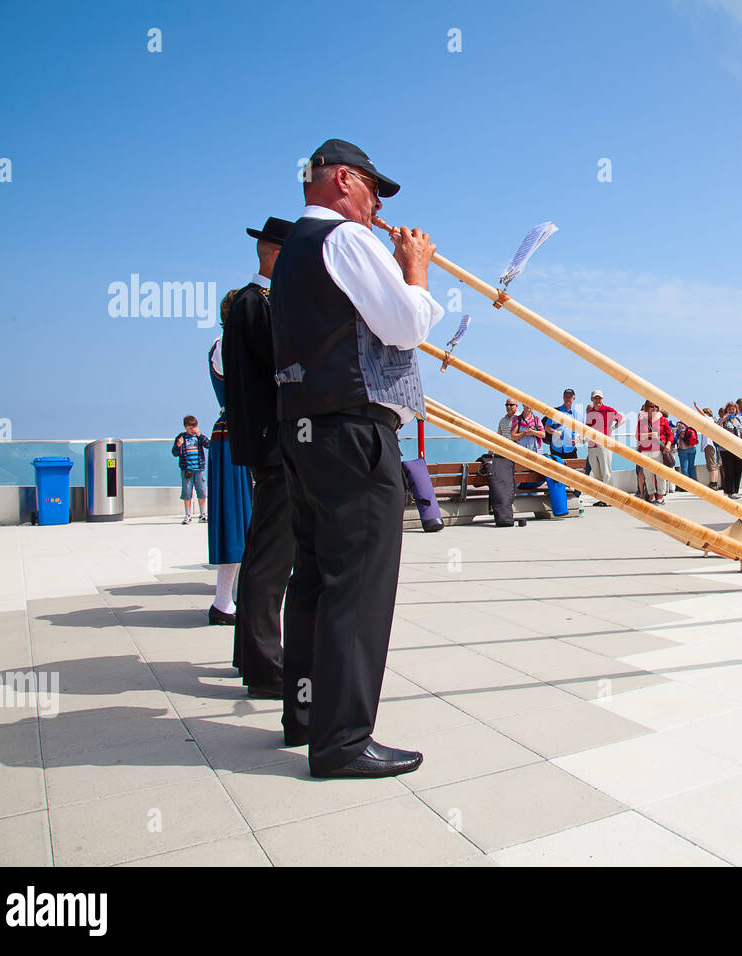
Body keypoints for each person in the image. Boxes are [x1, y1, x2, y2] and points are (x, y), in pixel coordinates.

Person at [270, 138, 443, 779]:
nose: (377, 206)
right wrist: (415, 266)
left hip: (306, 427)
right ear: (346, 180)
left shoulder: (293, 251)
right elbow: (406, 325)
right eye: (374, 190)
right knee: (359, 584)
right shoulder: (346, 240)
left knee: (314, 578)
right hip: (352, 428)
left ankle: (308, 715)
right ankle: (342, 741)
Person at [224, 216, 293, 697]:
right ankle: (266, 664)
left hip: (272, 442)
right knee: (273, 557)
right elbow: (283, 367)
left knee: (265, 554)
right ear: (276, 255)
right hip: (276, 444)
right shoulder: (257, 304)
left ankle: (252, 655)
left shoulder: (255, 303)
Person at [206, 290, 253, 629]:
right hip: (238, 433)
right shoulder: (225, 343)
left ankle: (230, 599)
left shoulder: (224, 343)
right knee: (237, 519)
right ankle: (223, 601)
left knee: (247, 518)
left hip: (238, 432)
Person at [583, 389, 622, 506]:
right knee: (597, 473)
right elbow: (587, 428)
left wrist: (612, 429)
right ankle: (602, 498)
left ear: (602, 399)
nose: (597, 400)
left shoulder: (608, 409)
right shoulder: (589, 412)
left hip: (604, 445)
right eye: (595, 398)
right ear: (592, 399)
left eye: (599, 398)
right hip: (591, 445)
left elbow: (621, 419)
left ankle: (610, 498)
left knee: (606, 472)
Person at [172, 416, 209, 523]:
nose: (191, 430)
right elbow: (175, 453)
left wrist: (200, 435)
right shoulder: (181, 437)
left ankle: (203, 514)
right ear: (185, 427)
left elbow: (208, 444)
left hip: (199, 469)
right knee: (187, 492)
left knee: (201, 491)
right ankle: (188, 515)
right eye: (189, 428)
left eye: (193, 427)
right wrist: (178, 445)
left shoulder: (199, 437)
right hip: (187, 470)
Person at [636, 401, 674, 504]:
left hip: (658, 450)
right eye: (651, 407)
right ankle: (651, 496)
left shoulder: (663, 420)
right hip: (646, 449)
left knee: (660, 474)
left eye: (656, 407)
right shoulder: (642, 420)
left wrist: (668, 445)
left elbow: (670, 435)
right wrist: (650, 435)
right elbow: (638, 436)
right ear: (646, 408)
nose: (654, 409)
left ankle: (661, 497)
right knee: (648, 475)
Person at [544, 388, 582, 464]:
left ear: (573, 399)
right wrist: (555, 432)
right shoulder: (556, 412)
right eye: (566, 396)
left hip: (571, 449)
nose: (567, 398)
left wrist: (578, 438)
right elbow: (547, 427)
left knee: (572, 474)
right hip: (556, 449)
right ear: (563, 398)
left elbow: (581, 431)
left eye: (569, 397)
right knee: (556, 473)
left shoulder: (576, 414)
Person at [697, 405, 721, 489]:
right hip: (710, 445)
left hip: (709, 445)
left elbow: (702, 413)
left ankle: (713, 483)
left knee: (711, 465)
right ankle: (714, 482)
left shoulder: (709, 419)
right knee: (713, 464)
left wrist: (696, 407)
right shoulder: (711, 421)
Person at [672, 413, 700, 481]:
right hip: (692, 447)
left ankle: (686, 484)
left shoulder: (679, 424)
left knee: (684, 467)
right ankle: (693, 482)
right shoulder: (692, 424)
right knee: (691, 466)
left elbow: (676, 436)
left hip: (683, 448)